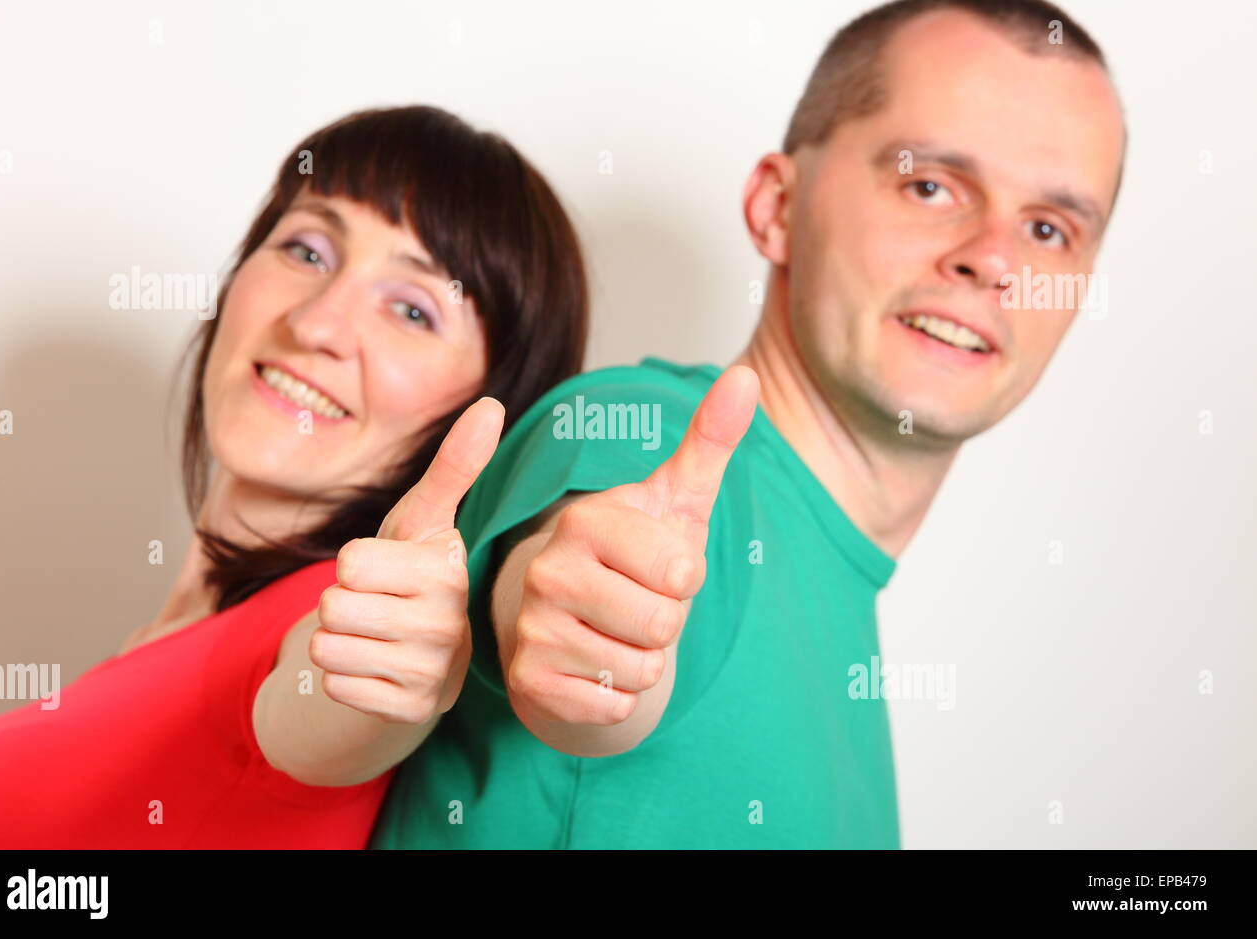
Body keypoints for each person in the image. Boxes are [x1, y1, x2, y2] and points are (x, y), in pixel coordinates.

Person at [369, 0, 1126, 848]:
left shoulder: (842, 599)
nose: (993, 257)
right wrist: (576, 623)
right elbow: (578, 584)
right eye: (930, 184)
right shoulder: (649, 436)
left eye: (1050, 228)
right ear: (776, 206)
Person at [0, 106, 588, 848]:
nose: (316, 323)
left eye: (413, 311)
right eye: (308, 250)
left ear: (484, 406)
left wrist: (386, 674)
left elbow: (327, 698)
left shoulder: (322, 624)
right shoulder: (157, 648)